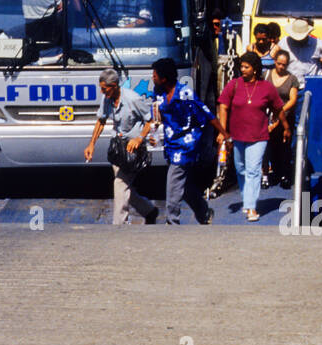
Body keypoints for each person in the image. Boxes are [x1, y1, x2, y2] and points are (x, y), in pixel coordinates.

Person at [151, 57, 224, 225]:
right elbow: (155, 116)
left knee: (173, 181)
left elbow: (206, 114)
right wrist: (152, 135)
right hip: (171, 143)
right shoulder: (158, 92)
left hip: (186, 144)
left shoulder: (185, 93)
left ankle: (172, 221)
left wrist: (224, 134)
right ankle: (204, 212)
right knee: (183, 186)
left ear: (164, 78)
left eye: (155, 75)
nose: (152, 77)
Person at [218, 52, 287, 222]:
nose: (242, 69)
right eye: (241, 66)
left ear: (255, 69)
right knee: (240, 169)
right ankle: (246, 199)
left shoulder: (266, 88)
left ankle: (251, 207)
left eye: (246, 67)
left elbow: (279, 109)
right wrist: (222, 131)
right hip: (237, 136)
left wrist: (285, 127)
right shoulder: (233, 84)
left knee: (253, 171)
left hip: (259, 136)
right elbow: (223, 107)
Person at [84, 68, 158, 225]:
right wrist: (91, 144)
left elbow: (151, 121)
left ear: (115, 85)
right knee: (124, 188)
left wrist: (139, 139)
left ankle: (119, 225)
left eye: (105, 89)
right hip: (118, 149)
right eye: (101, 89)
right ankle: (148, 210)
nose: (103, 92)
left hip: (134, 149)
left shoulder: (133, 99)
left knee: (120, 184)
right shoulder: (107, 98)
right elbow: (101, 120)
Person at [264, 50, 300, 189]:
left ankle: (285, 174)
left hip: (285, 117)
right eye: (279, 64)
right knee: (268, 146)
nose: (281, 67)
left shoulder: (292, 79)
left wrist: (279, 112)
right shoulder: (266, 75)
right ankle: (268, 175)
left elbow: (293, 100)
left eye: (284, 65)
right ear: (275, 62)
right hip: (268, 117)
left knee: (285, 146)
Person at [278, 18, 322, 86]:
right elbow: (276, 58)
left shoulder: (317, 43)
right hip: (289, 85)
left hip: (312, 84)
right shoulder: (283, 42)